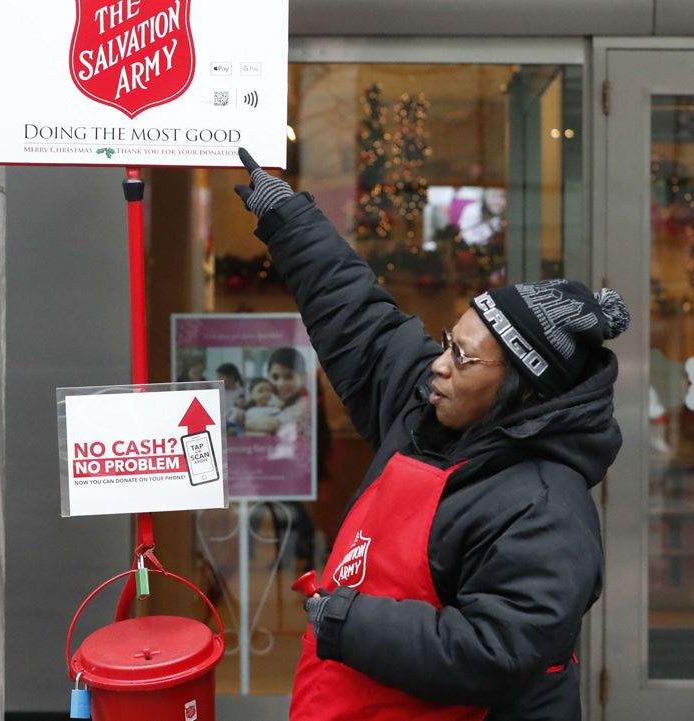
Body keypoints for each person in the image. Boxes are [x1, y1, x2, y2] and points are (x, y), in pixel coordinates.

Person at [233, 148, 628, 721]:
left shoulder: (547, 509)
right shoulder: (430, 409)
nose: (439, 366)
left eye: (463, 358)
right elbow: (361, 321)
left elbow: (494, 651)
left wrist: (349, 621)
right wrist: (288, 218)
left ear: (521, 389)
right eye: (448, 342)